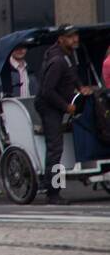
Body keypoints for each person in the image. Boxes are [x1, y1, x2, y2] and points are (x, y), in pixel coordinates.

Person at [36, 25, 95, 204]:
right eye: (70, 37)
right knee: (55, 149)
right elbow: (47, 91)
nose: (75, 39)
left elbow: (71, 75)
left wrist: (80, 87)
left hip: (58, 104)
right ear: (61, 39)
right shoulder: (57, 60)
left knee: (59, 147)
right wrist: (65, 106)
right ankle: (53, 193)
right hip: (49, 106)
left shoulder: (67, 55)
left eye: (76, 35)